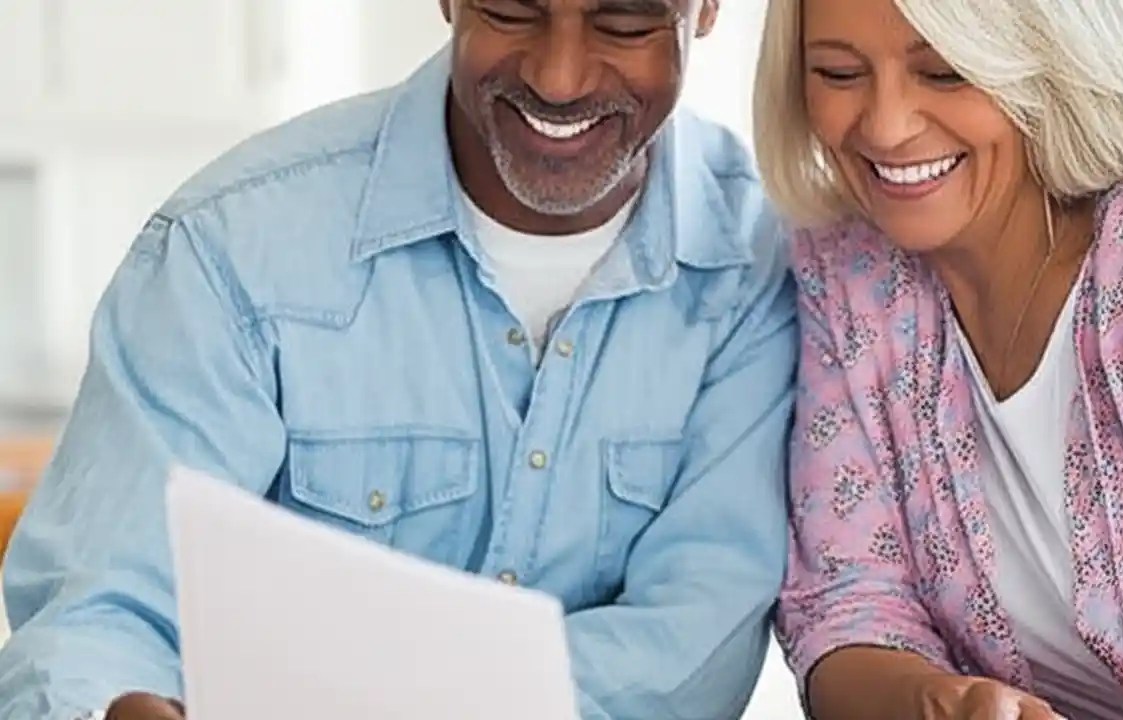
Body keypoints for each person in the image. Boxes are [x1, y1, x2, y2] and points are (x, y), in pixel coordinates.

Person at [0, 0, 798, 717]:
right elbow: (97, 614)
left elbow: (688, 654)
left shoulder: (764, 266)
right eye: (513, 10)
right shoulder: (229, 247)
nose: (559, 77)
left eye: (624, 23)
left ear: (705, 10)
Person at [754, 0, 1123, 717]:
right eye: (839, 73)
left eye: (942, 73)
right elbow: (845, 604)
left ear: (1050, 65)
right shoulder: (849, 277)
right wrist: (940, 703)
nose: (884, 124)